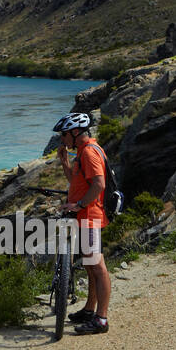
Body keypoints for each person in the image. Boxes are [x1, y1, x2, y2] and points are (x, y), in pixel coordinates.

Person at [53, 112, 111, 335]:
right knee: (89, 265)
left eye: (64, 134)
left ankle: (101, 319)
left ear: (75, 133)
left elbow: (99, 184)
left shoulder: (88, 153)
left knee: (97, 267)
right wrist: (65, 163)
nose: (62, 139)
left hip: (90, 216)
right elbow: (76, 182)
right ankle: (89, 310)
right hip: (84, 216)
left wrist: (78, 205)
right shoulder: (82, 152)